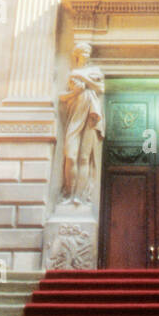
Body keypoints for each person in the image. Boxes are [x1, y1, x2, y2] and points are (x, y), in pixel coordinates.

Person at [60, 43, 105, 204]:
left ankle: (79, 196)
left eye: (88, 52)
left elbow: (101, 88)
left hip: (90, 117)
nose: (86, 54)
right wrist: (75, 92)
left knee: (84, 158)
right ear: (77, 54)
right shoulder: (72, 73)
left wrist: (82, 77)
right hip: (74, 117)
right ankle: (68, 193)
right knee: (70, 156)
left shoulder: (94, 71)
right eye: (83, 51)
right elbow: (62, 97)